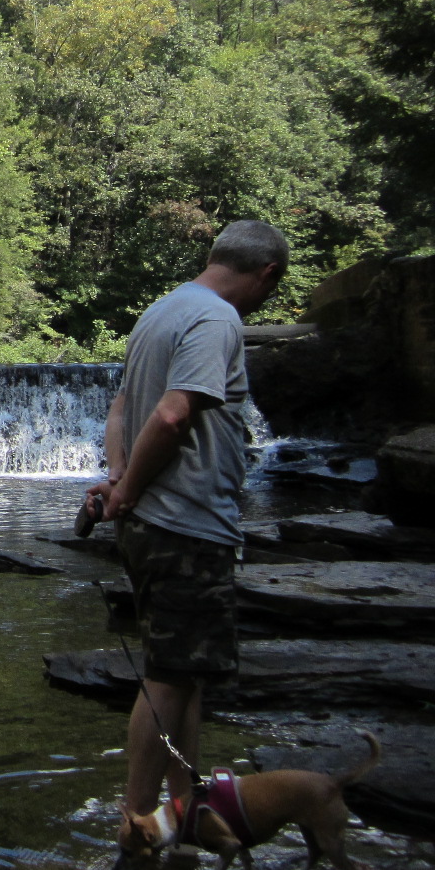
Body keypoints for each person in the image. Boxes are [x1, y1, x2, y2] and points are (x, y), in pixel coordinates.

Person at [85, 220, 289, 820]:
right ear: (267, 274)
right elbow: (173, 416)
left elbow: (122, 405)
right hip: (186, 523)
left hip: (156, 521)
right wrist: (131, 490)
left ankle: (185, 806)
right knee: (169, 680)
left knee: (184, 673)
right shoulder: (219, 318)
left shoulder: (162, 310)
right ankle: (139, 823)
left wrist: (120, 478)